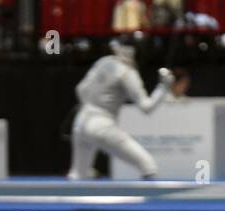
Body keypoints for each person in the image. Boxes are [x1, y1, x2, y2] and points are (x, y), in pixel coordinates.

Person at [68, 37, 174, 180]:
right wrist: (164, 87)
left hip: (80, 122)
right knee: (148, 166)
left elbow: (80, 90)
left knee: (78, 175)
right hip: (102, 125)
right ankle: (152, 202)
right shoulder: (127, 73)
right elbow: (146, 107)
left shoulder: (103, 62)